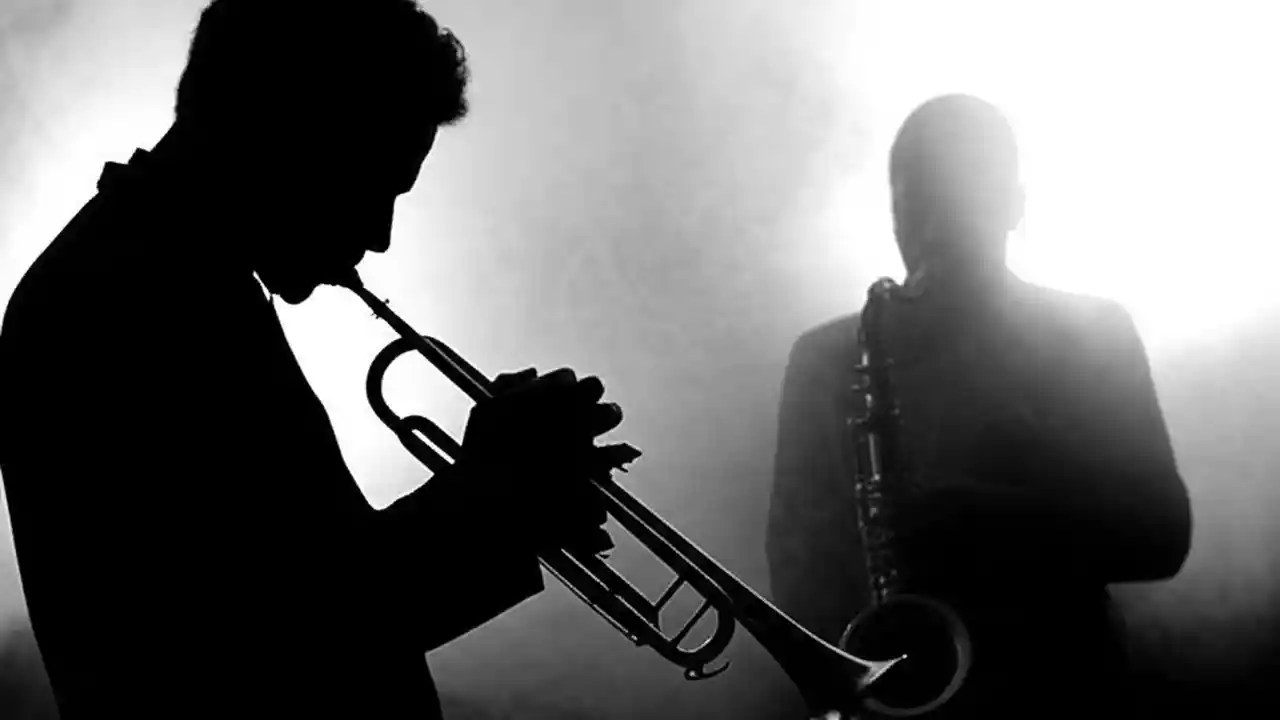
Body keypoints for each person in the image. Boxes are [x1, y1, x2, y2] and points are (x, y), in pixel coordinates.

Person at [0, 2, 627, 718]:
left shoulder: (176, 276)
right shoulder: (126, 296)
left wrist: (494, 493)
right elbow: (276, 644)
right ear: (293, 131)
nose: (381, 235)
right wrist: (500, 502)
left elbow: (304, 579)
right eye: (375, 183)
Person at [767, 94, 1192, 719]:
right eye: (917, 206)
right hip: (898, 697)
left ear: (1016, 207)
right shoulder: (827, 357)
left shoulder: (1094, 332)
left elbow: (1163, 536)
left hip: (1063, 687)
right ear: (892, 215)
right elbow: (795, 561)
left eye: (961, 204)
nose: (937, 232)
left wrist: (986, 518)